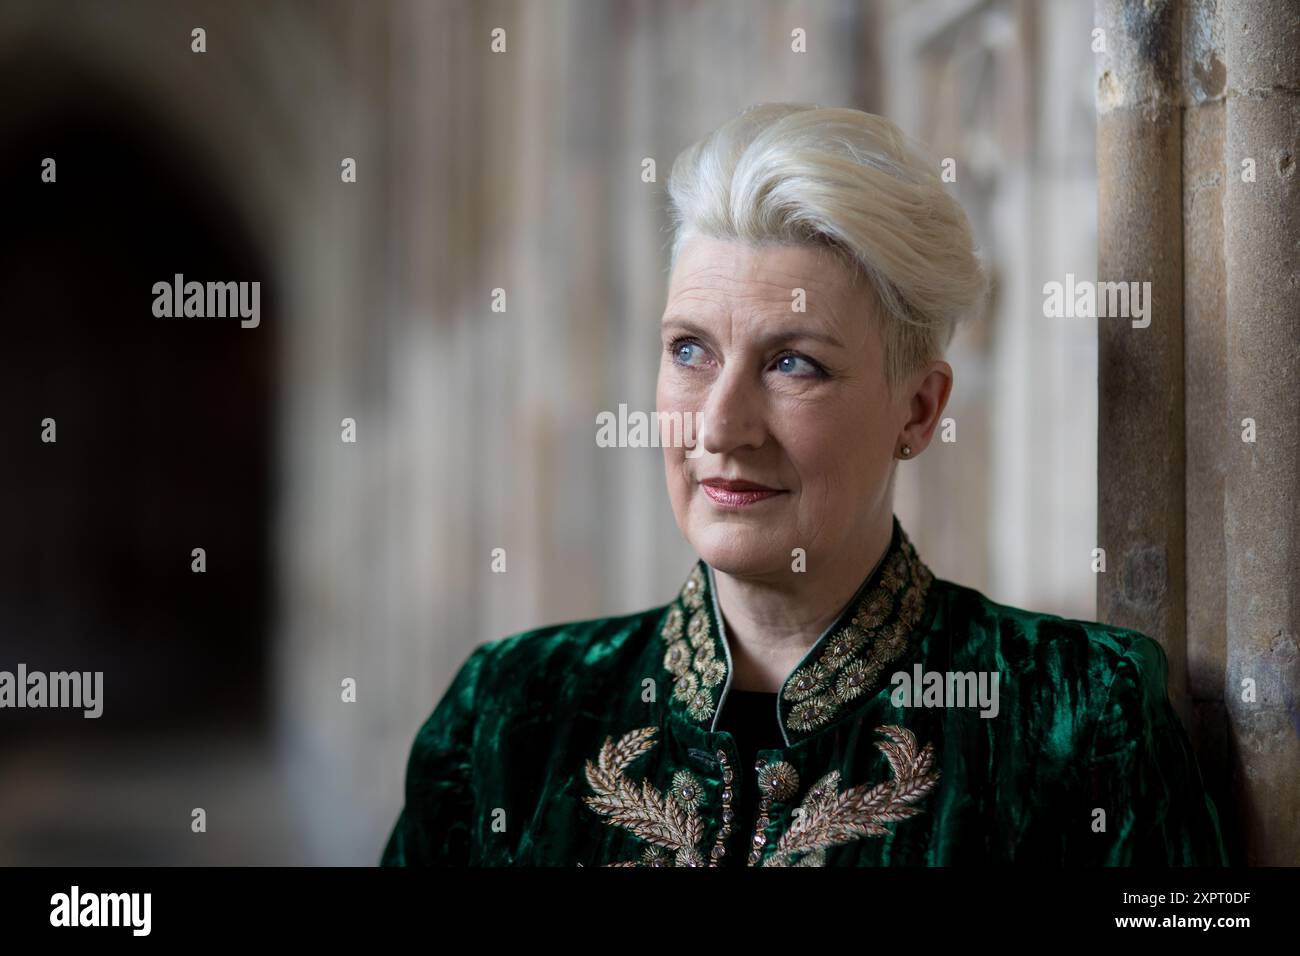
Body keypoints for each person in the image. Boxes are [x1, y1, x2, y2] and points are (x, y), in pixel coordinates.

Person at [380, 103, 1227, 867]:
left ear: (918, 410)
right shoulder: (507, 715)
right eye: (689, 350)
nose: (720, 426)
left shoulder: (1080, 713)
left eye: (794, 363)